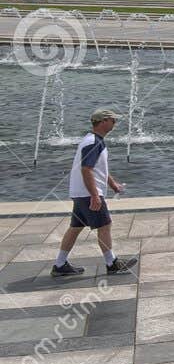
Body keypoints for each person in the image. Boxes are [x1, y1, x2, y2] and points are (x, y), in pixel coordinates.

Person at [51, 109, 137, 277]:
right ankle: (112, 264)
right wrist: (95, 195)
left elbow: (97, 169)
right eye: (113, 120)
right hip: (87, 193)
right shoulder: (93, 142)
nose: (115, 123)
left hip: (80, 192)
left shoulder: (93, 140)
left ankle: (60, 265)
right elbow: (86, 169)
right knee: (105, 226)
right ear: (104, 121)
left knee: (75, 227)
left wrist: (113, 185)